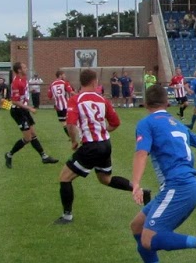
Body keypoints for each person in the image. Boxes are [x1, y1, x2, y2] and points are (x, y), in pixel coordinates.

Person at [127, 82, 196, 263]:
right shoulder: (177, 123)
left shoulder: (146, 123)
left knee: (149, 238)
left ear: (145, 104)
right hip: (186, 186)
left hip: (178, 187)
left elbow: (141, 153)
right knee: (138, 226)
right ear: (167, 103)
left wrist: (136, 184)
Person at [54, 69, 135, 224]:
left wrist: (73, 141)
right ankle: (139, 190)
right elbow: (115, 123)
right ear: (94, 82)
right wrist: (102, 131)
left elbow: (70, 124)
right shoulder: (103, 100)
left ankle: (67, 216)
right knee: (105, 179)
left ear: (82, 82)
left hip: (91, 146)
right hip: (105, 144)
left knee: (64, 178)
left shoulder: (76, 99)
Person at [3, 61, 59, 168]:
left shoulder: (24, 79)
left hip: (23, 110)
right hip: (17, 111)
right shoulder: (16, 82)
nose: (26, 69)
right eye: (24, 67)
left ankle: (44, 156)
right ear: (19, 70)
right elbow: (14, 101)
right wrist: (29, 108)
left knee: (33, 134)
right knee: (28, 138)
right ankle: (9, 155)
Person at [49, 69, 76, 142]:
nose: (65, 76)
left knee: (63, 122)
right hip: (66, 105)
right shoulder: (65, 83)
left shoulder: (52, 84)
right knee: (71, 121)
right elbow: (71, 92)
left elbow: (49, 96)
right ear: (60, 75)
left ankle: (70, 136)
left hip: (58, 106)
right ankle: (74, 136)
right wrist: (79, 95)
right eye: (64, 75)